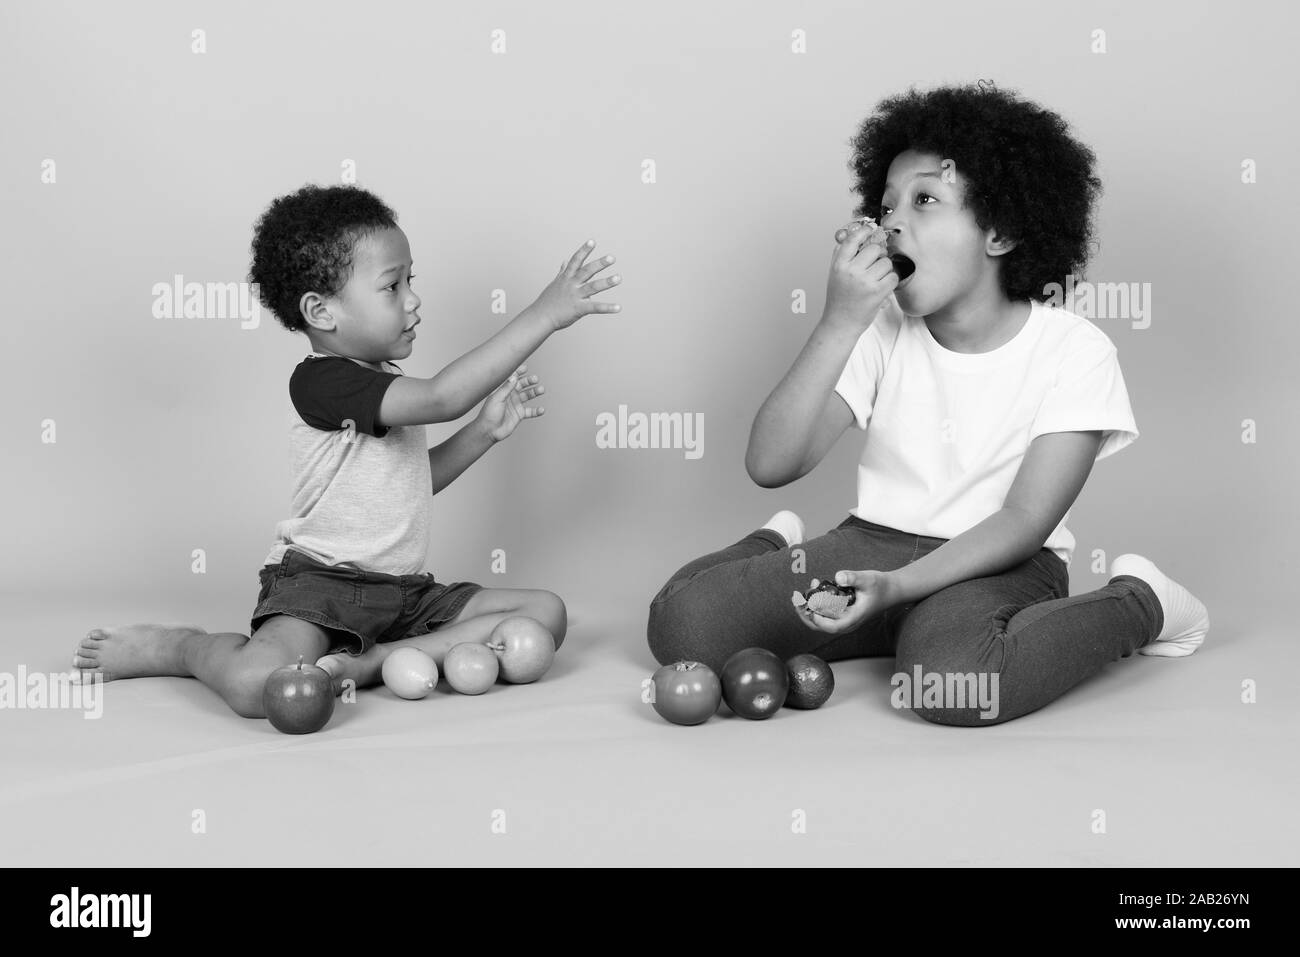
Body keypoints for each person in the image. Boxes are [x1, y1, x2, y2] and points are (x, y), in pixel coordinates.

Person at [646, 83, 1209, 726]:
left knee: (954, 684)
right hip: (872, 545)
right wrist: (838, 322)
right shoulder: (877, 328)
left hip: (1001, 564)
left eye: (925, 200)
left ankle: (1144, 601)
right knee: (683, 630)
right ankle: (783, 546)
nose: (891, 223)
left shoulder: (1075, 352)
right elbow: (771, 463)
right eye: (885, 206)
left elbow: (1024, 520)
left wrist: (899, 588)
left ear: (1000, 230)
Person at [73, 184, 621, 718]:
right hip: (322, 586)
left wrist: (484, 431)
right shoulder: (322, 384)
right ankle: (184, 649)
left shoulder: (385, 382)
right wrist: (545, 314)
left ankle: (376, 659)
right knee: (253, 685)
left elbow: (409, 488)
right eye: (392, 286)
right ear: (321, 311)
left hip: (403, 595)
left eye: (412, 279)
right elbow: (442, 396)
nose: (414, 298)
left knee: (545, 612)